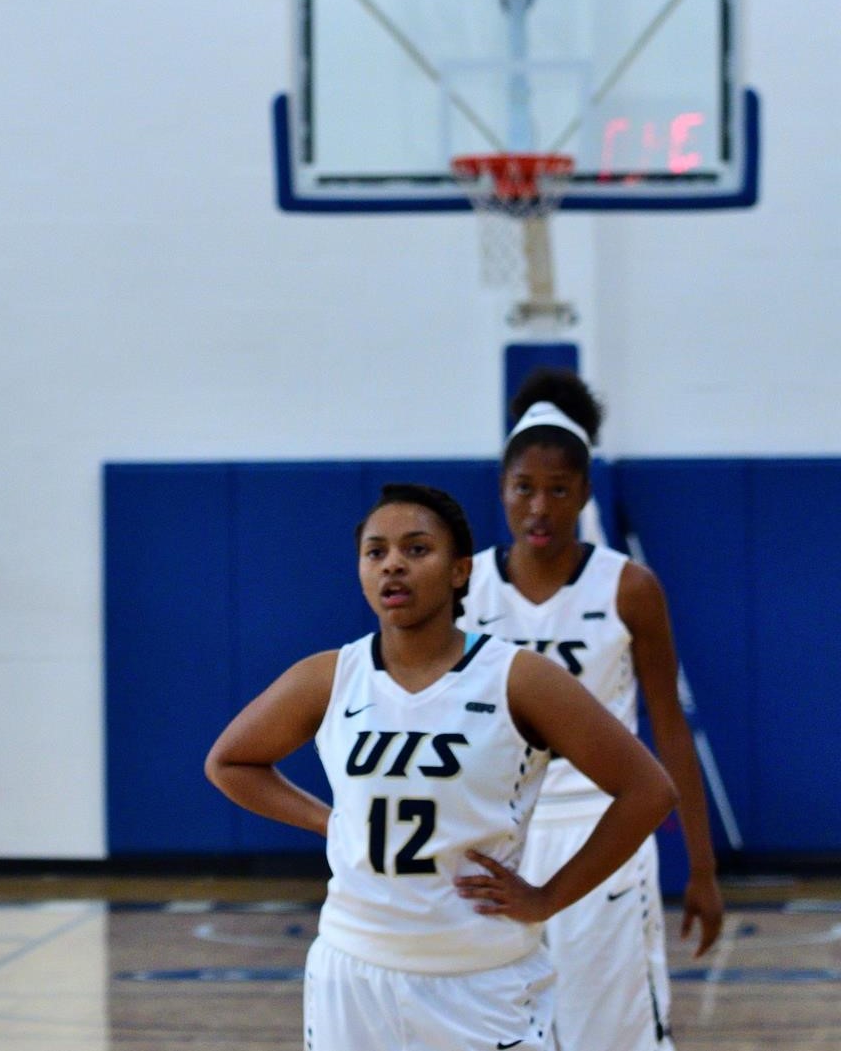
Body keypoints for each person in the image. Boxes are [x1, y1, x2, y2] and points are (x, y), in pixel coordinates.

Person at [205, 483, 676, 1050]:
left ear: (459, 573)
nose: (393, 565)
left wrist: (548, 897)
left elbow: (648, 789)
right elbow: (230, 762)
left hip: (481, 978)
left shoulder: (518, 677)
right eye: (375, 552)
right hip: (353, 970)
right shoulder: (329, 677)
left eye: (416, 549)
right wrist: (329, 821)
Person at [460, 367, 724, 1049]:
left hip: (605, 831)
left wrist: (702, 866)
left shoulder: (629, 588)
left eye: (558, 489)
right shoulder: (466, 588)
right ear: (502, 491)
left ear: (583, 492)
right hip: (498, 833)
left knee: (614, 1035)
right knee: (500, 1028)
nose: (540, 507)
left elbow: (668, 725)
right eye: (524, 488)